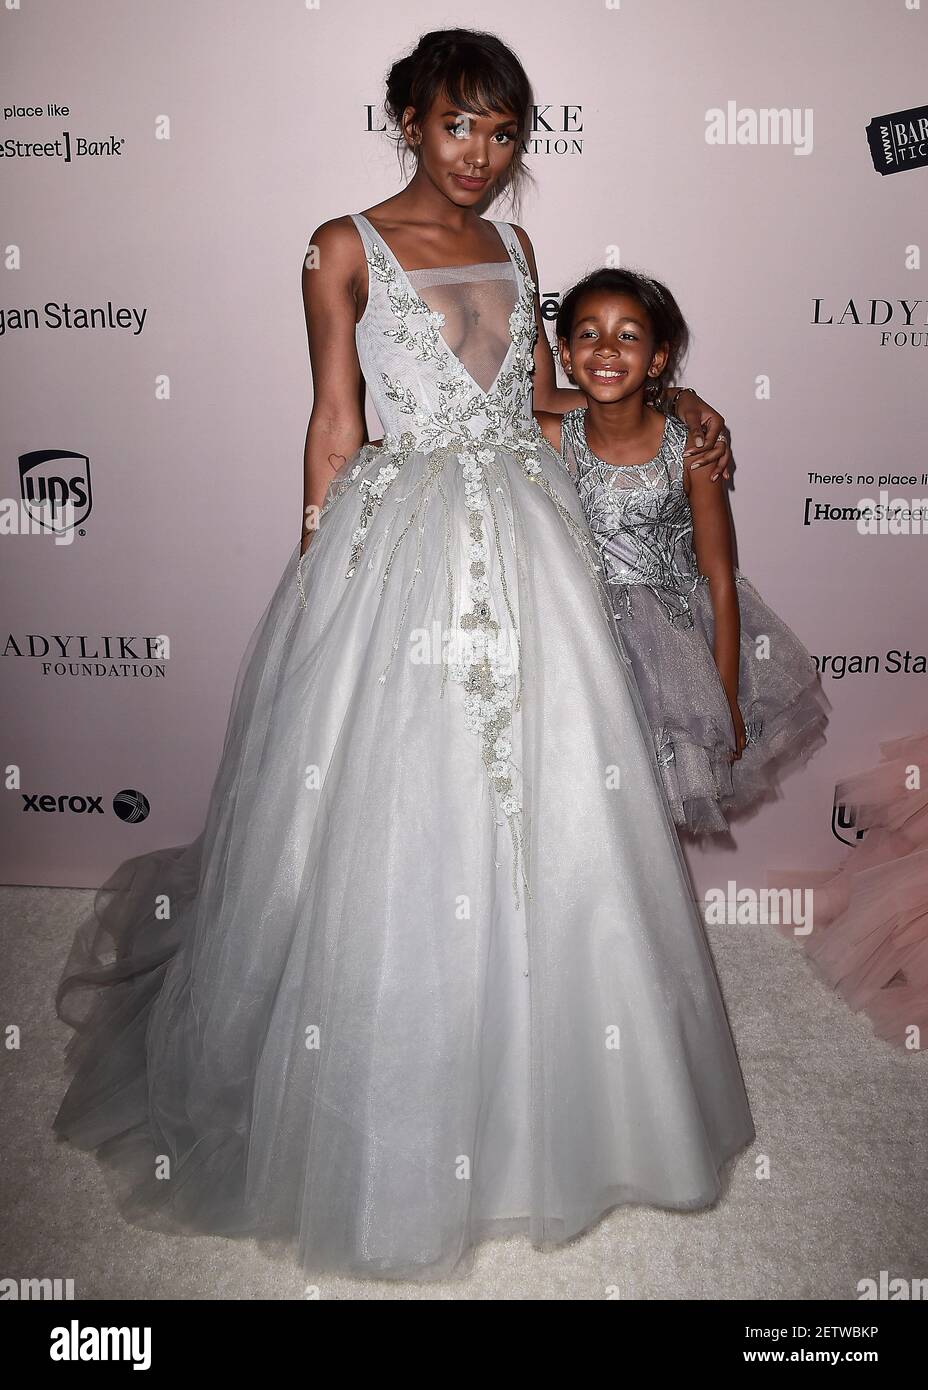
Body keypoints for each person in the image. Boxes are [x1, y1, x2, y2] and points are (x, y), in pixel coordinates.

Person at [53, 29, 754, 1284]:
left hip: (533, 531)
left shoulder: (519, 246)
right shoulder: (340, 245)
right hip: (403, 532)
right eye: (457, 127)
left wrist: (677, 402)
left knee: (556, 794)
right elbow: (334, 420)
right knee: (392, 806)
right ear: (407, 120)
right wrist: (320, 564)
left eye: (502, 134)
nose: (481, 156)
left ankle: (559, 1083)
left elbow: (533, 394)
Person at [537, 267, 830, 834]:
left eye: (627, 335)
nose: (605, 349)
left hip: (672, 651)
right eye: (588, 334)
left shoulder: (691, 450)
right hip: (579, 642)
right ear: (567, 356)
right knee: (583, 801)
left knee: (646, 809)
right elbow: (466, 436)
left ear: (656, 358)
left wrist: (723, 699)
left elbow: (720, 578)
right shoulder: (551, 435)